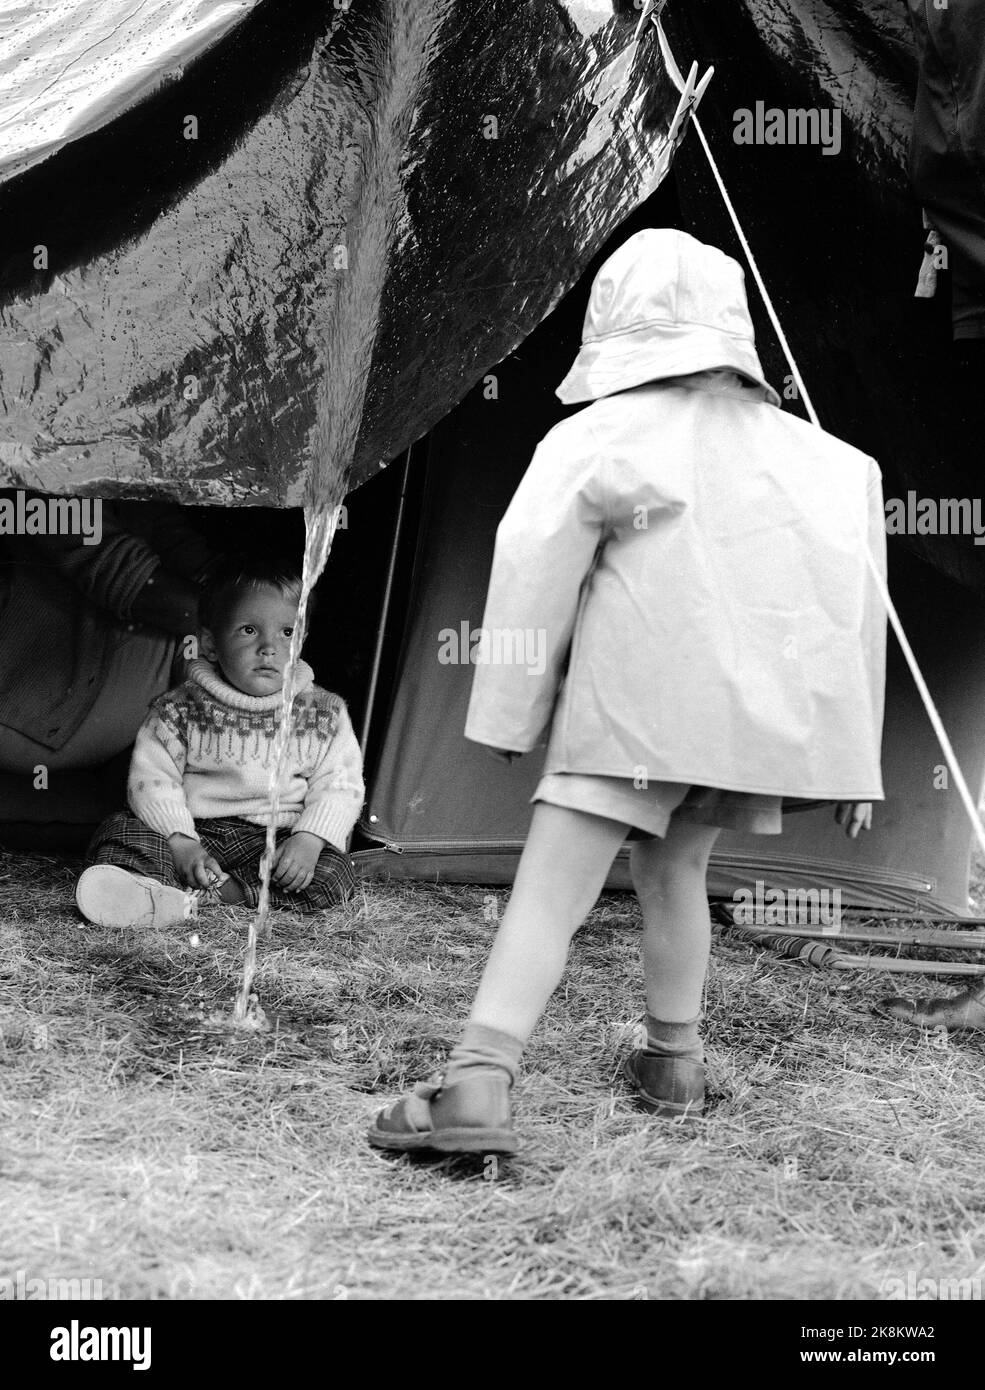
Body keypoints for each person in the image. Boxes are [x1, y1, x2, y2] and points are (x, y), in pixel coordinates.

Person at [367, 229, 887, 1156]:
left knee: (552, 887)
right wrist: (853, 760)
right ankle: (672, 1061)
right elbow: (852, 616)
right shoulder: (838, 466)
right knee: (676, 870)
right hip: (743, 730)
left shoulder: (597, 435)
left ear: (614, 328)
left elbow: (531, 568)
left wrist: (507, 712)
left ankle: (477, 1082)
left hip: (628, 717)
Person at [75, 555, 364, 929]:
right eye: (248, 630)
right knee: (119, 831)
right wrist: (181, 841)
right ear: (211, 644)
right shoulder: (178, 709)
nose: (269, 647)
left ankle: (230, 894)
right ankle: (148, 891)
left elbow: (340, 785)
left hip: (272, 842)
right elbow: (153, 780)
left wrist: (310, 838)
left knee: (334, 872)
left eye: (287, 633)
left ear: (302, 640)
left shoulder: (324, 713)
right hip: (194, 830)